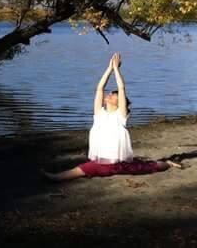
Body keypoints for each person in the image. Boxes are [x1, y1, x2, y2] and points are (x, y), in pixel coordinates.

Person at [42, 52, 182, 181]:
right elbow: (99, 88)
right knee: (92, 167)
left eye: (113, 95)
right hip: (101, 161)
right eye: (109, 94)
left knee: (149, 166)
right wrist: (109, 69)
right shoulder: (99, 113)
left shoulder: (120, 115)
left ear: (120, 102)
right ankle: (55, 177)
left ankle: (167, 163)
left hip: (117, 164)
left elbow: (121, 88)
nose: (109, 94)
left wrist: (116, 69)